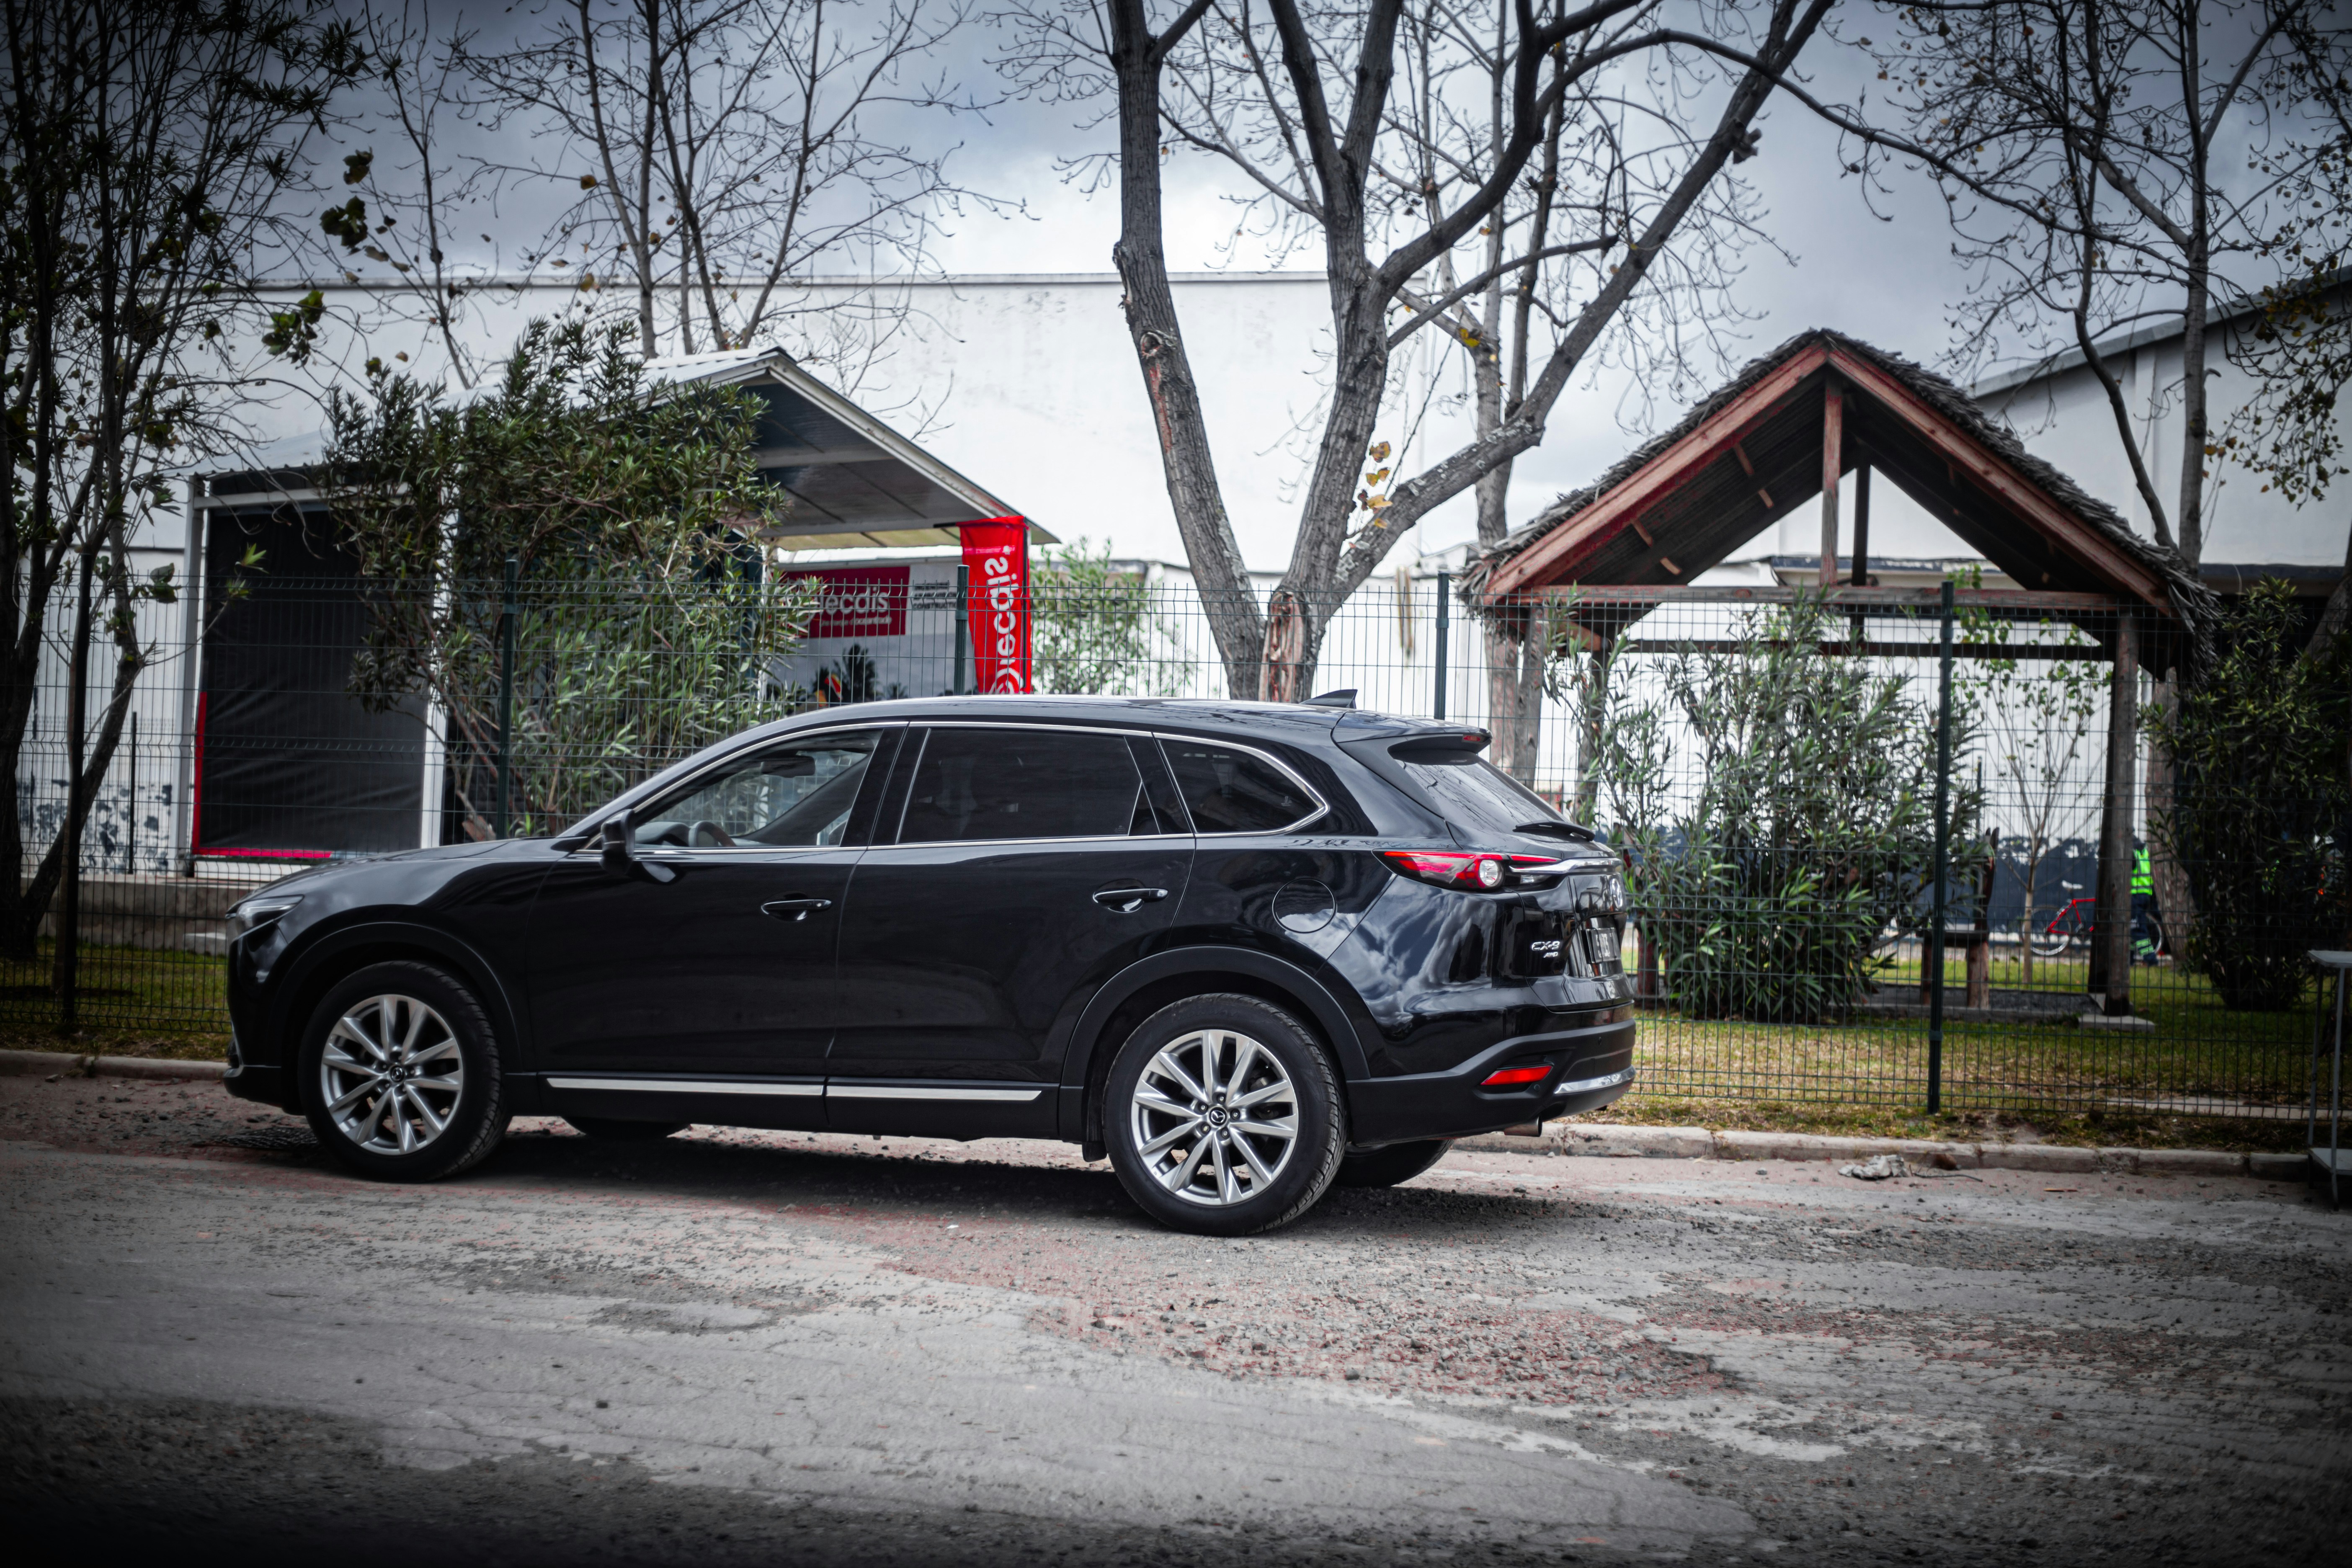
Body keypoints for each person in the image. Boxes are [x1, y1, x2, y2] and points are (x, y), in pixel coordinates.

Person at [2130, 840, 2162, 963]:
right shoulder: (2144, 850)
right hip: (2146, 895)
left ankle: (2151, 959)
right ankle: (2129, 960)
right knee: (2130, 928)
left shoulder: (2130, 850)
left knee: (2136, 929)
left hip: (2135, 895)